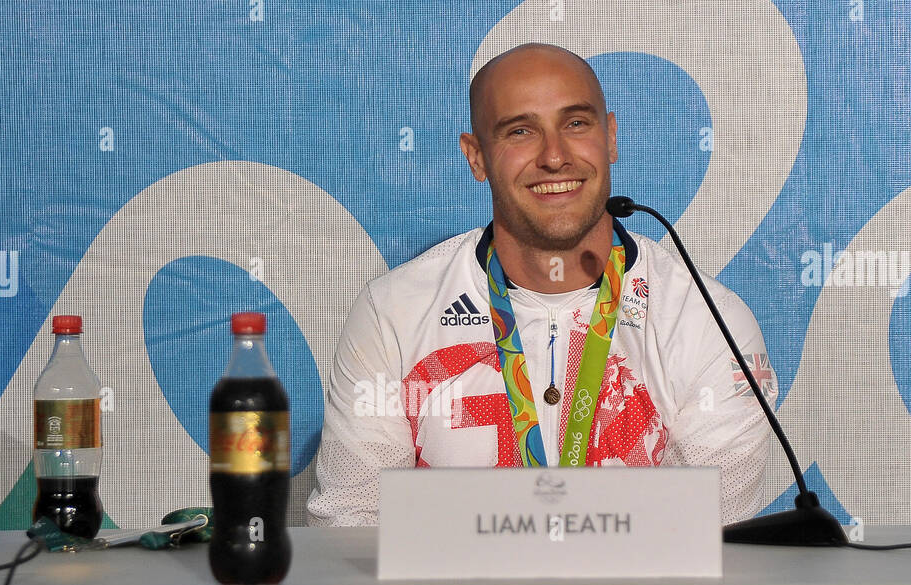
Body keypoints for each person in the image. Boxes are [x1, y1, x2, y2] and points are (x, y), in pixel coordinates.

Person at [307, 42, 777, 526]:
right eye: (520, 131)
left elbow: (706, 539)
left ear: (610, 136)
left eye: (576, 124)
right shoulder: (394, 313)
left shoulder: (709, 321)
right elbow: (353, 529)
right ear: (476, 157)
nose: (554, 157)